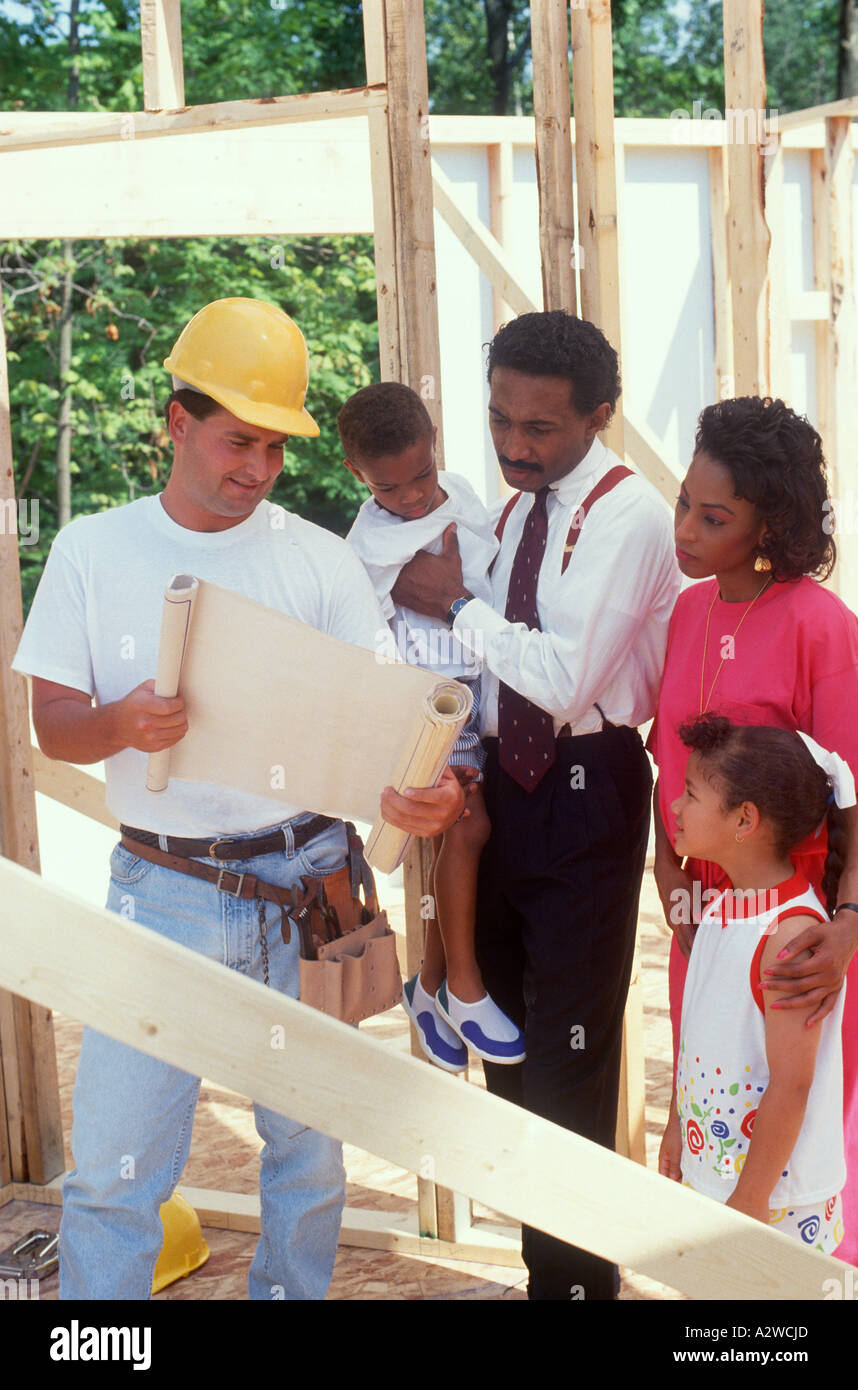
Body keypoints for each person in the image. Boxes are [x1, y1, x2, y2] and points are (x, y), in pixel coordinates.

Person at [11, 297, 464, 1301]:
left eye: (272, 446)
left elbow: (396, 731)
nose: (255, 469)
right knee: (116, 1174)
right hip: (161, 891)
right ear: (176, 423)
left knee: (307, 1164)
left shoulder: (319, 558)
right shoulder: (94, 548)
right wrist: (120, 723)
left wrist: (426, 791)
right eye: (235, 441)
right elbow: (53, 724)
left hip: (313, 886)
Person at [387, 310, 681, 1299]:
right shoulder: (517, 509)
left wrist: (450, 604)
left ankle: (575, 1288)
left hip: (587, 783)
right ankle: (546, 1274)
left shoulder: (631, 514)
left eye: (541, 428)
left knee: (570, 1057)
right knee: (506, 1042)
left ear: (600, 414)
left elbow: (560, 676)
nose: (515, 443)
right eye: (500, 419)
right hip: (506, 790)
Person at [648, 395, 858, 1263]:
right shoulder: (687, 613)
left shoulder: (822, 627)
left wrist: (847, 929)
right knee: (712, 1119)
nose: (686, 530)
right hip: (702, 929)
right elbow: (668, 769)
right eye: (684, 503)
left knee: (800, 1152)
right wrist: (670, 886)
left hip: (796, 944)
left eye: (714, 516)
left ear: (769, 523)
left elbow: (852, 796)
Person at [340, 381, 525, 1071]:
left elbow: (484, 581)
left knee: (475, 831)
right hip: (429, 704)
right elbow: (373, 638)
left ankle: (434, 986)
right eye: (391, 488)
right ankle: (463, 986)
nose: (413, 497)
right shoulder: (368, 544)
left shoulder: (463, 496)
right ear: (358, 476)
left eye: (421, 475)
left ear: (435, 446)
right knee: (468, 828)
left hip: (483, 688)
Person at [659, 714, 852, 1255]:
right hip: (721, 1181)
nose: (676, 806)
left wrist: (749, 1201)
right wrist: (679, 1125)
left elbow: (791, 1085)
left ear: (744, 819)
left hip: (775, 1204)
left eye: (692, 795)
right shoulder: (723, 904)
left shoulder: (790, 935)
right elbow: (698, 1033)